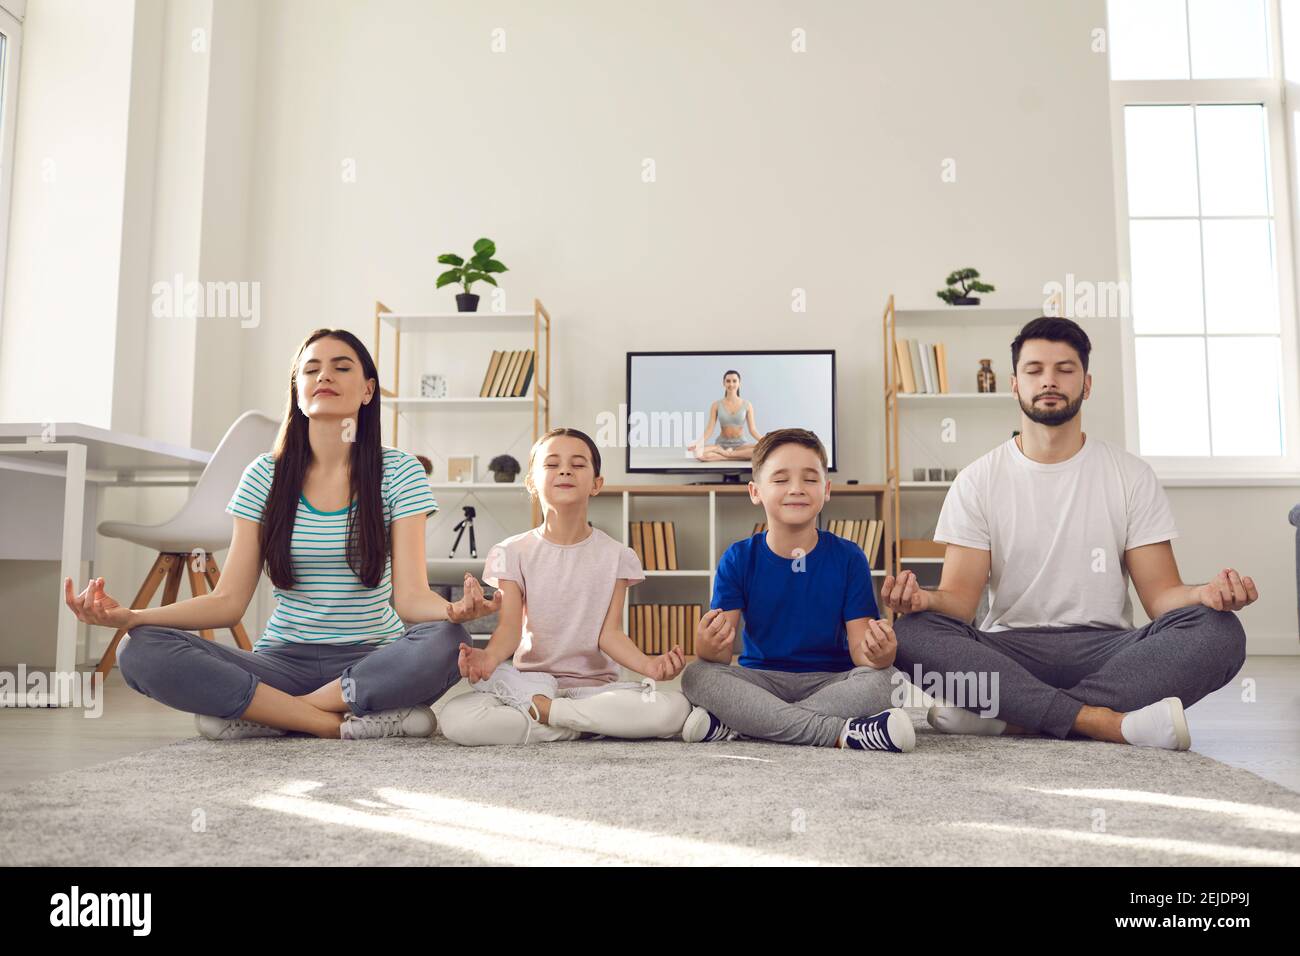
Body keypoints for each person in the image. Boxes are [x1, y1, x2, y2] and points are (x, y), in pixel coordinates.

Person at [65, 328, 498, 740]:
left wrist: (453, 612)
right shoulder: (263, 476)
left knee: (447, 640)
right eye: (311, 369)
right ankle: (331, 723)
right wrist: (132, 618)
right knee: (139, 649)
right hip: (280, 661)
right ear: (298, 388)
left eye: (341, 367)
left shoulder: (399, 471)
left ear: (368, 390)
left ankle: (272, 715)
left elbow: (410, 599)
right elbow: (226, 603)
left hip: (373, 659)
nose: (324, 375)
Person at [884, 316, 1253, 751]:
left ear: (1087, 383)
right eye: (1035, 370)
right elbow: (960, 604)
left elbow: (1161, 598)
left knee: (1220, 632)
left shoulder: (1130, 476)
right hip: (1010, 654)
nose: (1049, 381)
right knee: (911, 633)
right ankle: (1104, 722)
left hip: (1111, 652)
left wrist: (1204, 595)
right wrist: (924, 600)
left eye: (1065, 369)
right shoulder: (977, 480)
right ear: (1014, 384)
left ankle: (1017, 718)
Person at [439, 427, 692, 745]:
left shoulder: (618, 556)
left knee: (674, 708)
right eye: (551, 463)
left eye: (578, 463)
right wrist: (489, 659)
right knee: (456, 719)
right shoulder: (511, 552)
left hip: (595, 688)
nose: (565, 470)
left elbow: (608, 634)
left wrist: (649, 665)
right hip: (530, 684)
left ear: (596, 484)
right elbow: (510, 631)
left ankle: (551, 717)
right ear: (531, 482)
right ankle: (587, 723)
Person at [679, 427, 915, 753]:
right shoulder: (737, 558)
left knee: (889, 681)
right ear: (755, 491)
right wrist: (707, 646)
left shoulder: (849, 557)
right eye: (780, 480)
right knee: (697, 675)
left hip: (831, 681)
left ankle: (744, 725)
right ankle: (843, 734)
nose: (796, 489)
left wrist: (882, 653)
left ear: (826, 489)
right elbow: (718, 656)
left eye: (809, 479)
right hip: (761, 680)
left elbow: (863, 652)